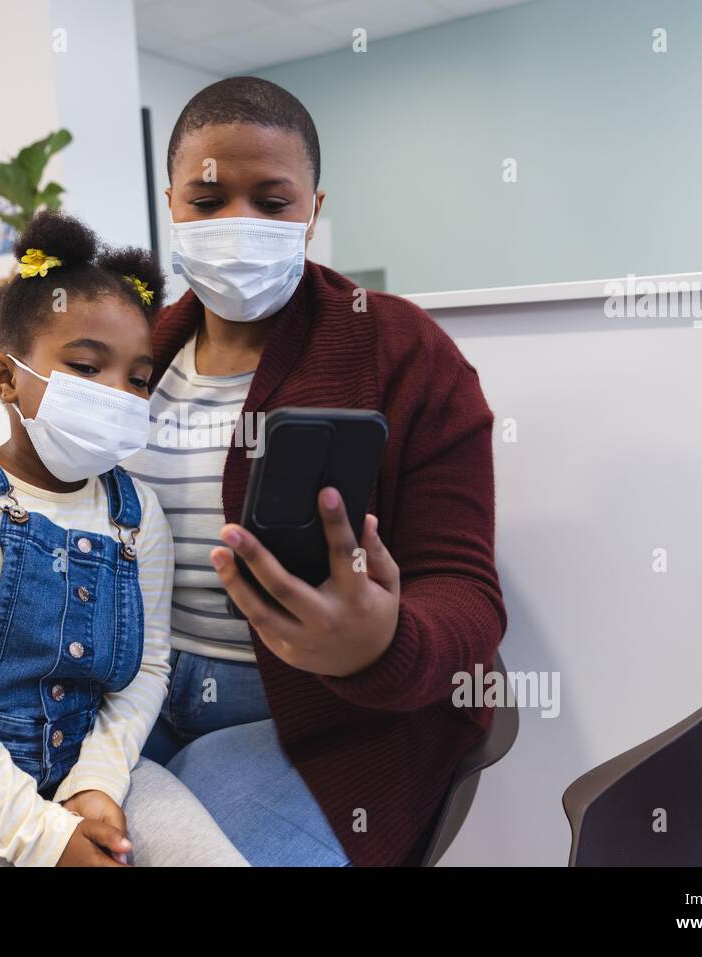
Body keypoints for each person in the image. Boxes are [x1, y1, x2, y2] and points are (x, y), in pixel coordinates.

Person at [127, 77, 507, 866]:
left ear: (314, 206)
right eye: (207, 201)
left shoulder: (401, 350)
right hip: (131, 699)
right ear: (170, 203)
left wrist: (382, 642)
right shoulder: (131, 354)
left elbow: (466, 592)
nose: (238, 224)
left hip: (321, 715)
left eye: (271, 202)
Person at [0, 210, 246, 867]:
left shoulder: (137, 514)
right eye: (87, 367)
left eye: (137, 378)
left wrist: (97, 780)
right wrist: (44, 837)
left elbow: (146, 669)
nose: (119, 394)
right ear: (6, 378)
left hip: (89, 776)